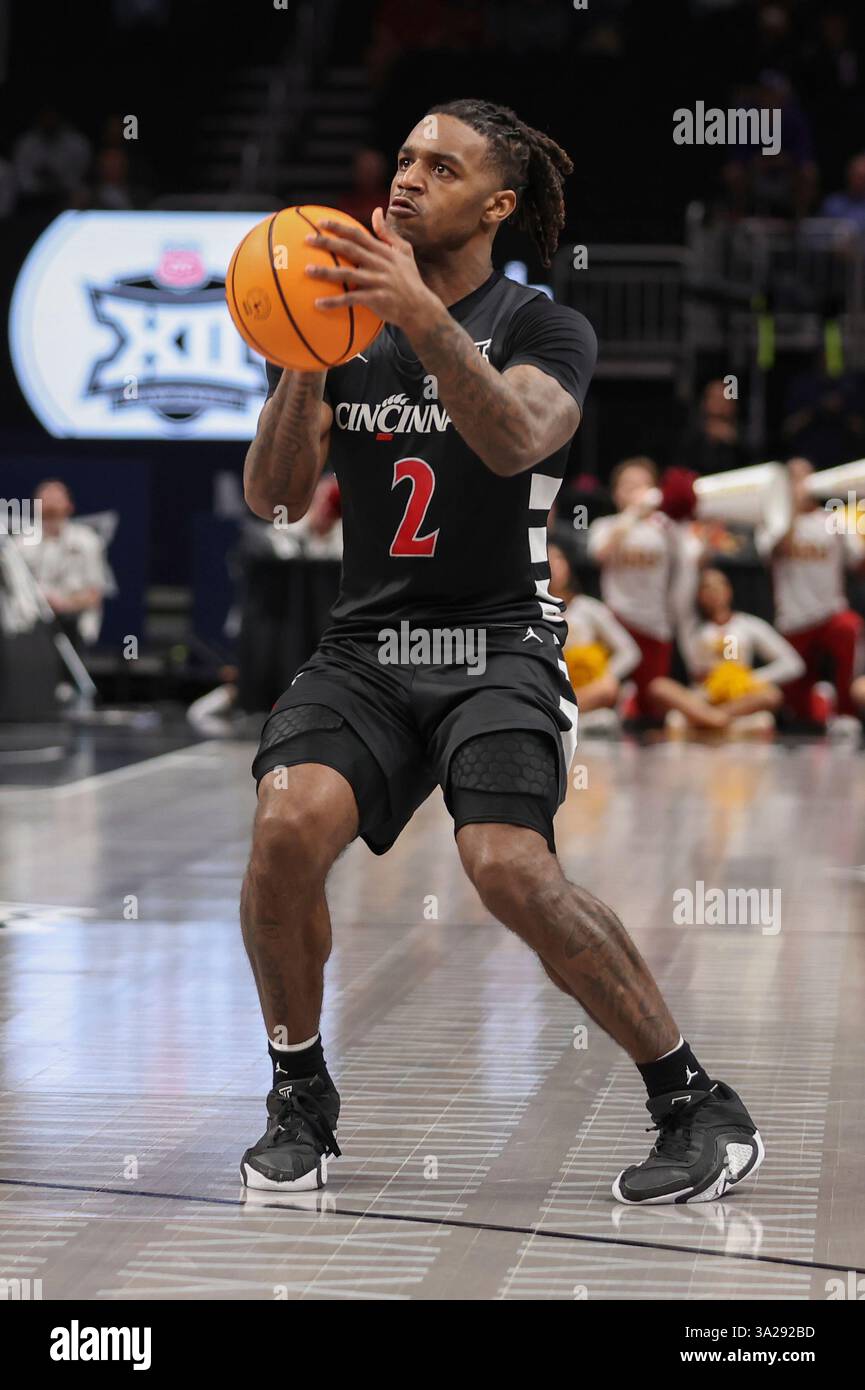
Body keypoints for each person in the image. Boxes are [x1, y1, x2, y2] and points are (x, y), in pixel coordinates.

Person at [240, 97, 764, 1206]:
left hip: (498, 640)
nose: (407, 178)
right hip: (367, 646)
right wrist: (302, 347)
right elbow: (277, 499)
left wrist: (419, 318)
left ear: (499, 202)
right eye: (404, 159)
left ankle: (692, 1101)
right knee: (285, 824)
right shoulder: (348, 331)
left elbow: (517, 434)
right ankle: (299, 1091)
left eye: (442, 165)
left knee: (507, 869)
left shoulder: (542, 326)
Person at [756, 458, 865, 729]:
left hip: (830, 612)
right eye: (793, 479)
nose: (801, 485)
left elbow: (858, 562)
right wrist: (790, 507)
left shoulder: (835, 519)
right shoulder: (771, 522)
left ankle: (847, 716)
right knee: (799, 713)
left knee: (850, 629)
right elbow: (777, 549)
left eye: (806, 477)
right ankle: (815, 707)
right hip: (793, 619)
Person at [587, 458, 686, 722]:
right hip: (616, 622)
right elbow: (601, 552)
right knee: (611, 697)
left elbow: (690, 560)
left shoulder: (666, 528)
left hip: (655, 624)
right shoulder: (604, 525)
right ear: (616, 492)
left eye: (642, 485)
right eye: (628, 486)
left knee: (652, 704)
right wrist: (632, 513)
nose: (635, 492)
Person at [650, 566, 804, 732]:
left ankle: (710, 718)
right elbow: (679, 594)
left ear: (729, 591)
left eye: (718, 585)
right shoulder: (691, 628)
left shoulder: (748, 624)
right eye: (706, 587)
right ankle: (717, 719)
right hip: (703, 693)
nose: (713, 592)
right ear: (698, 595)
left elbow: (793, 664)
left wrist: (752, 679)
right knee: (659, 686)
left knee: (772, 695)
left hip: (739, 696)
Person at [547, 538, 639, 715]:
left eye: (558, 559)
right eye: (547, 560)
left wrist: (605, 676)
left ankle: (560, 714)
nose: (553, 566)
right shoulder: (533, 612)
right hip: (552, 688)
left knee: (609, 687)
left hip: (589, 688)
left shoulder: (588, 608)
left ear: (568, 565)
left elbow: (629, 652)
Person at [15, 480, 109, 648]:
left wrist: (63, 605)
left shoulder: (88, 542)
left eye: (55, 506)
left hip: (73, 627)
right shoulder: (20, 545)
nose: (50, 511)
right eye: (45, 507)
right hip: (29, 628)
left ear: (69, 507)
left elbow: (94, 595)